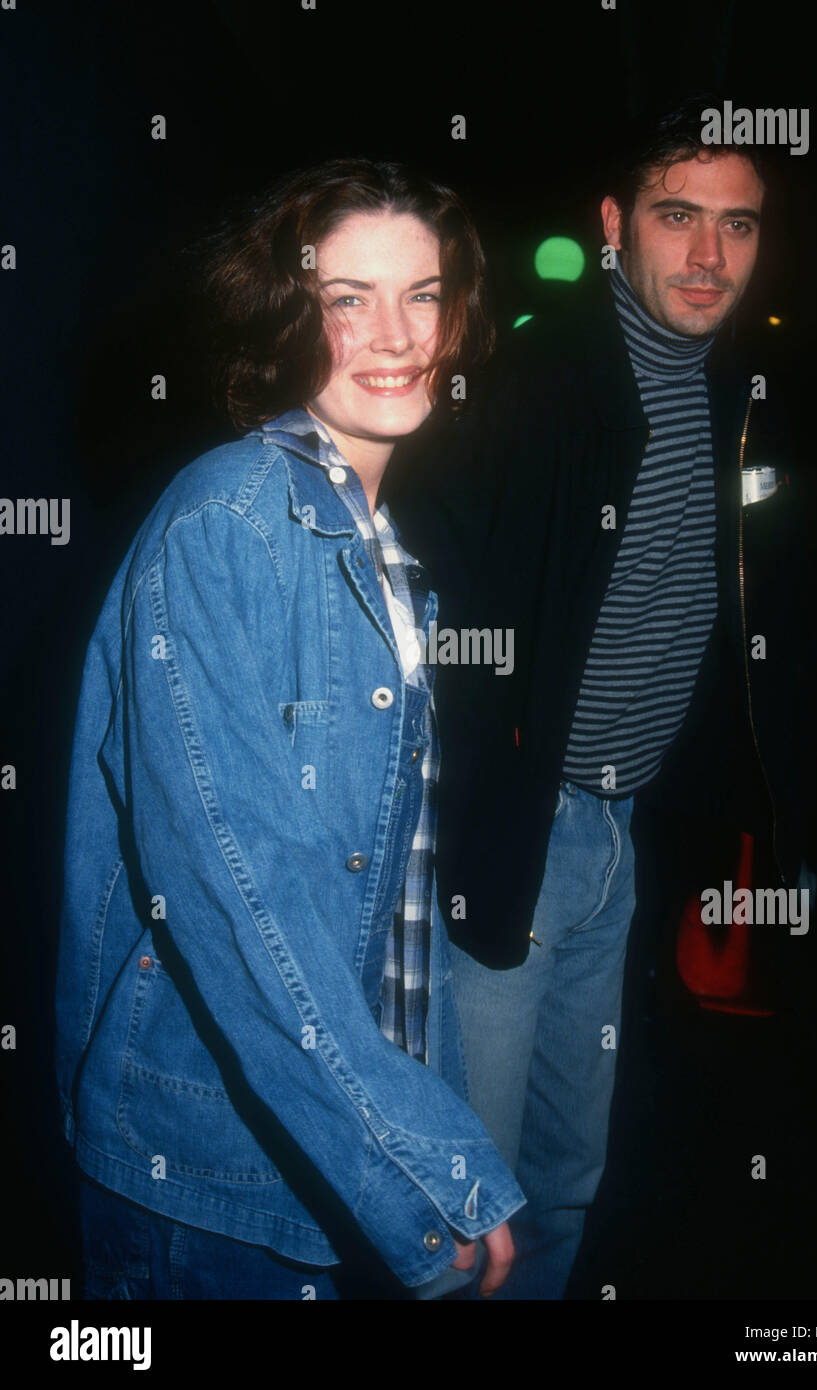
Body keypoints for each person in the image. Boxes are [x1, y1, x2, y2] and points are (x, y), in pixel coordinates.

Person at [384, 98, 817, 1299]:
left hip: (624, 836)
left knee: (572, 1172)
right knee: (469, 1197)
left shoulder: (738, 404)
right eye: (678, 218)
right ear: (616, 223)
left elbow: (786, 615)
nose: (709, 256)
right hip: (508, 835)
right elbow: (419, 602)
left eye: (738, 225)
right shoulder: (524, 386)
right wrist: (475, 787)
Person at [54, 159, 525, 1301]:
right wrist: (426, 1161)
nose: (393, 331)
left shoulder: (375, 545)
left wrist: (423, 1119)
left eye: (421, 294)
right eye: (344, 298)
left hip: (317, 1143)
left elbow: (389, 911)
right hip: (212, 1168)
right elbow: (241, 886)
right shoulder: (230, 519)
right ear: (283, 316)